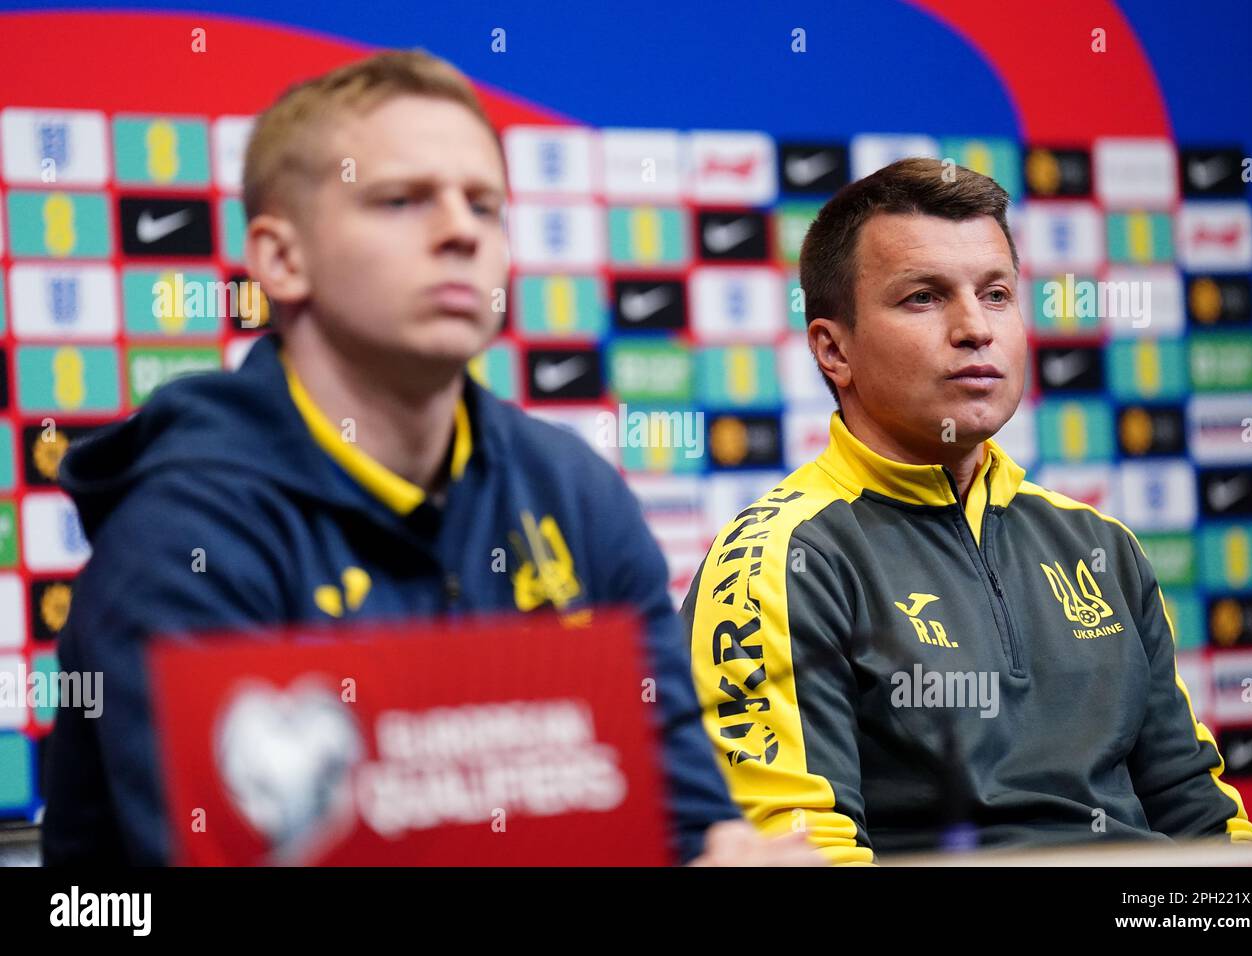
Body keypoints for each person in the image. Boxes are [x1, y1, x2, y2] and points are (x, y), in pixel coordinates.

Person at [41, 49, 817, 867]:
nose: (459, 232)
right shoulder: (183, 538)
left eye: (484, 206)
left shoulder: (573, 494)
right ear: (281, 259)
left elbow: (684, 823)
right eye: (402, 200)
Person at [681, 157, 1252, 864]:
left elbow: (1195, 811)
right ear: (834, 350)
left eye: (995, 294)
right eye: (924, 297)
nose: (974, 329)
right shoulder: (778, 559)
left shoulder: (1098, 544)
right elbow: (804, 851)